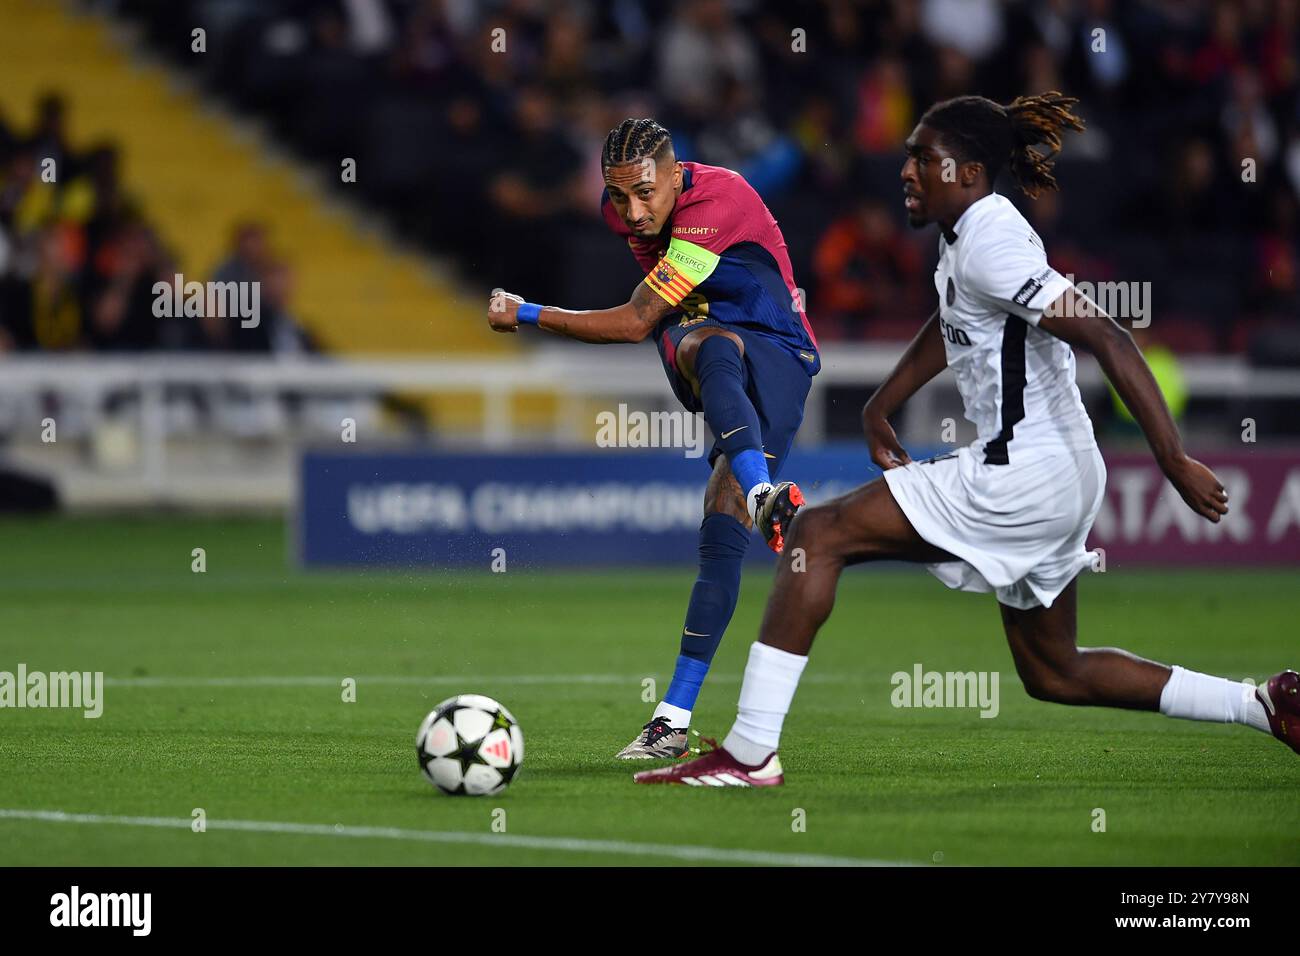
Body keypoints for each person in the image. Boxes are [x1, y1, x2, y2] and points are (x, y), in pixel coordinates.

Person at [635, 93, 1297, 787]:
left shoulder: (990, 239)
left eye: (924, 158)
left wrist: (1173, 458)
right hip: (1062, 472)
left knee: (816, 537)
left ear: (970, 172)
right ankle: (1264, 705)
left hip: (1026, 468)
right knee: (1055, 670)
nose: (907, 171)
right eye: (908, 156)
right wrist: (883, 404)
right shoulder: (968, 236)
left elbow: (1106, 332)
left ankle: (749, 753)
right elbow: (954, 323)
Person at [487, 118, 819, 759]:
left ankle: (755, 495)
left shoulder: (716, 200)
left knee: (722, 531)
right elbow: (657, 314)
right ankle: (672, 718)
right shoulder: (628, 214)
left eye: (645, 193)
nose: (633, 212)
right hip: (702, 340)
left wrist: (526, 312)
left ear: (675, 175)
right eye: (619, 197)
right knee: (707, 344)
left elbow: (638, 318)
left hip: (778, 350)